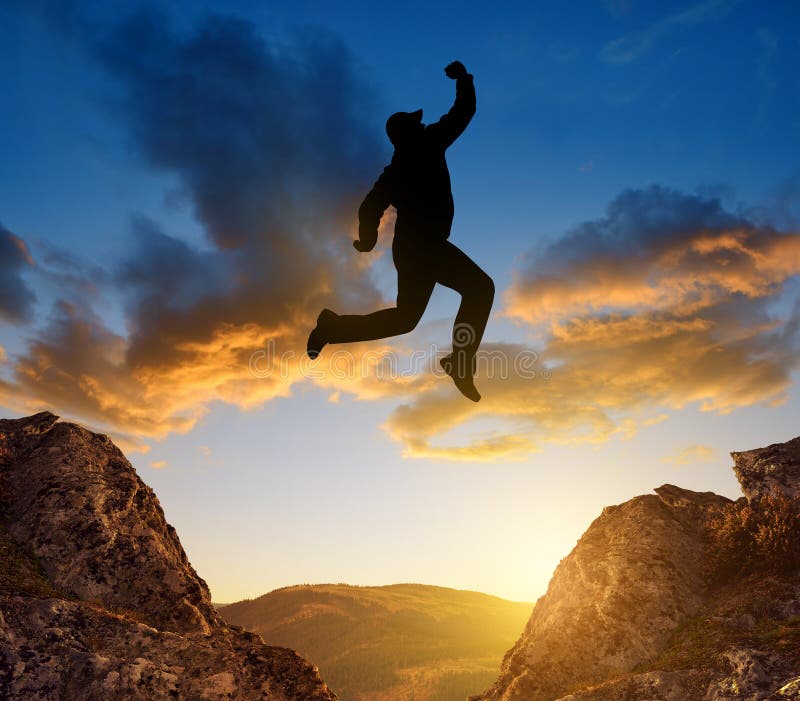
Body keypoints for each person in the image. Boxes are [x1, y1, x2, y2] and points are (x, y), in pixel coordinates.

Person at [307, 60, 494, 402]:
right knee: (480, 288)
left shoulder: (394, 171)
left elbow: (369, 208)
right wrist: (463, 78)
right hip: (425, 247)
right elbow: (464, 111)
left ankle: (332, 327)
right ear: (407, 133)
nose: (423, 125)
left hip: (409, 251)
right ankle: (461, 360)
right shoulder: (428, 143)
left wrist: (367, 239)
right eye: (417, 124)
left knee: (405, 319)